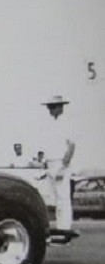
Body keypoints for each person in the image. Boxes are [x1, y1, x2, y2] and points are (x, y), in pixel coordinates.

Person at [39, 95, 76, 234]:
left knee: (63, 198)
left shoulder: (68, 123)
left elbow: (71, 147)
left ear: (61, 107)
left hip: (60, 163)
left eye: (53, 107)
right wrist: (44, 163)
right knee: (51, 198)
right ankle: (57, 228)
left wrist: (63, 166)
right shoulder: (49, 125)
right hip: (50, 164)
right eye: (49, 107)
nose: (50, 109)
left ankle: (64, 228)